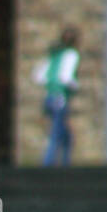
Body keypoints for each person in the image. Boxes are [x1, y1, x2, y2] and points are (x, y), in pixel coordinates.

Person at [35, 27, 81, 167]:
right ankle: (47, 165)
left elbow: (39, 77)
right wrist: (75, 86)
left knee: (66, 136)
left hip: (48, 97)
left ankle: (66, 164)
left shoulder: (54, 55)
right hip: (59, 97)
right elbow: (65, 77)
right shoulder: (71, 55)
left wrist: (50, 85)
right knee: (56, 132)